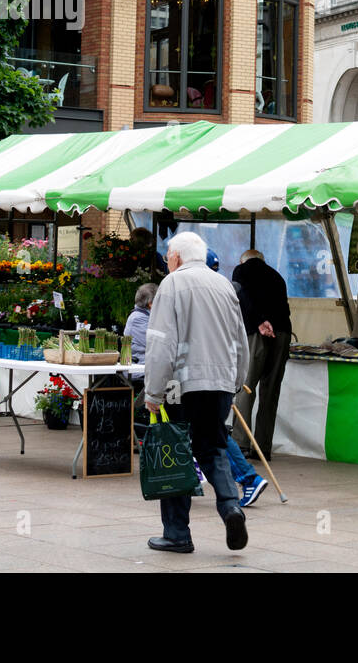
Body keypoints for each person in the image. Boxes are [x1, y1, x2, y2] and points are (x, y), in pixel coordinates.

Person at [143, 232, 250, 553]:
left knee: (174, 454)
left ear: (175, 257)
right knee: (214, 448)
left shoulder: (172, 286)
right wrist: (235, 382)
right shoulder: (223, 286)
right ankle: (231, 507)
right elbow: (240, 341)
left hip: (181, 387)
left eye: (167, 259)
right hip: (219, 384)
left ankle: (177, 534)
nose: (166, 264)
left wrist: (153, 392)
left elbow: (161, 343)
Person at [229, 249, 292, 459]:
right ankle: (263, 446)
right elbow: (286, 308)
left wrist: (259, 321)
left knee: (246, 387)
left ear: (243, 260)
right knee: (270, 390)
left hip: (256, 332)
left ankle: (241, 443)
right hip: (282, 333)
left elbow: (243, 298)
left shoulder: (241, 270)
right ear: (262, 260)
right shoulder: (277, 275)